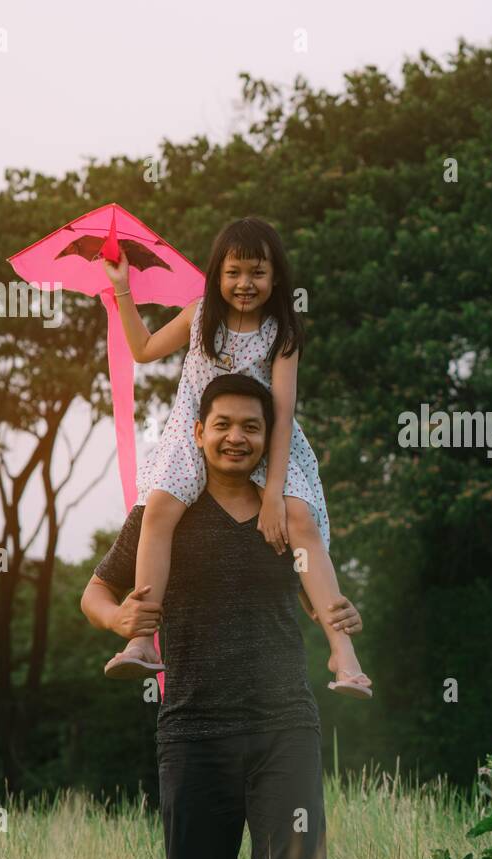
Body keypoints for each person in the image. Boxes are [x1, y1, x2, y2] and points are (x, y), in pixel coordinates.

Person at [81, 374, 355, 859]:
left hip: (285, 727)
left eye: (252, 427)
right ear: (198, 431)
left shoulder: (289, 514)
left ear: (270, 437)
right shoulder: (162, 514)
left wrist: (339, 616)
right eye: (223, 425)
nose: (236, 438)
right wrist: (117, 620)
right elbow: (95, 592)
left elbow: (319, 594)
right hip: (193, 732)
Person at [100, 216, 371, 698]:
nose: (245, 284)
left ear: (275, 277)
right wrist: (122, 288)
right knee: (159, 509)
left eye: (257, 272)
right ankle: (144, 639)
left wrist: (272, 494)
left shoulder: (282, 331)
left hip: (259, 435)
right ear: (217, 274)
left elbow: (283, 414)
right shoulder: (200, 314)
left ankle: (343, 653)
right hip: (196, 430)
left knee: (300, 518)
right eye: (234, 272)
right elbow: (142, 351)